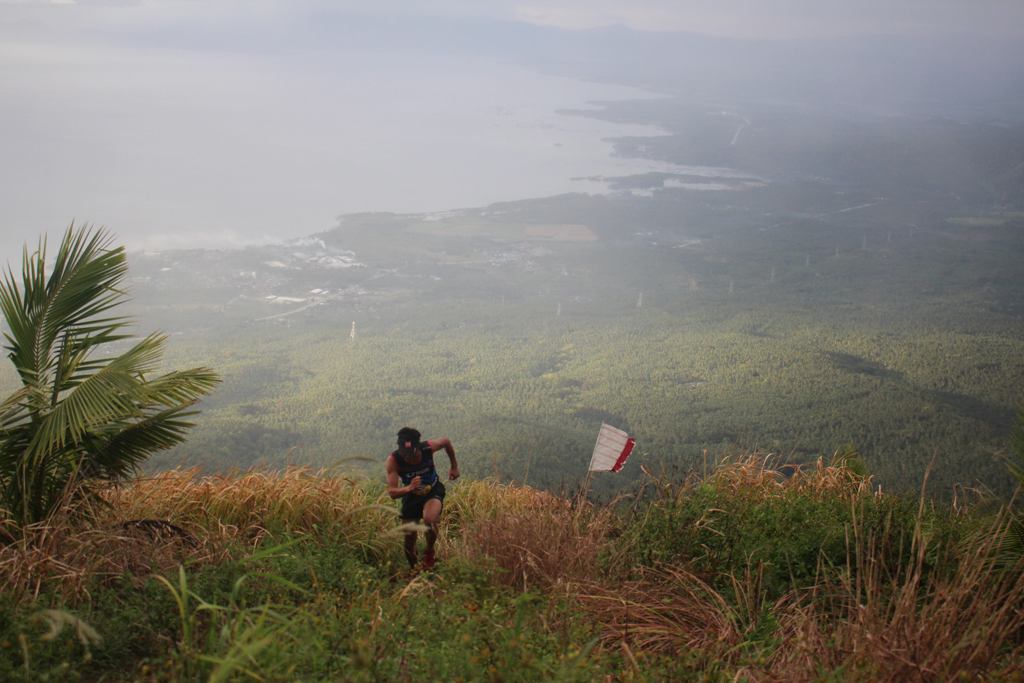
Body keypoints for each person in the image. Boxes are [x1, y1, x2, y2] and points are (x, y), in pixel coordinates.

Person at [385, 427, 459, 569]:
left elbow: (446, 441)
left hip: (432, 489)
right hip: (411, 496)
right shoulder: (394, 460)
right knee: (408, 543)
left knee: (429, 520)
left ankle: (429, 552)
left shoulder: (427, 449)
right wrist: (409, 488)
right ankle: (416, 570)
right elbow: (392, 493)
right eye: (403, 453)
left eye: (410, 454)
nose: (406, 457)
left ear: (417, 447)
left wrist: (454, 466)